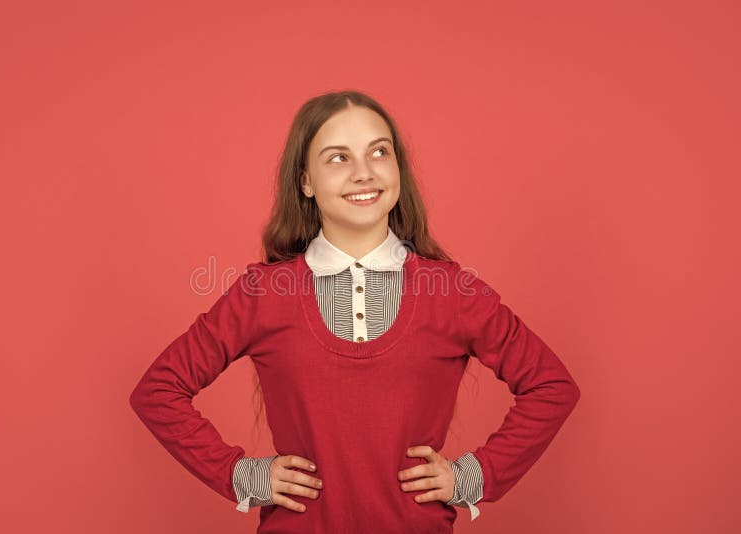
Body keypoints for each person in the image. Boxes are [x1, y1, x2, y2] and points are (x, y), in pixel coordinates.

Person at [129, 90, 581, 533]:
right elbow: (159, 391)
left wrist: (471, 477)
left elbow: (551, 386)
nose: (364, 173)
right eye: (338, 158)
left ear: (398, 169)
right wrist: (244, 476)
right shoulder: (262, 294)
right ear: (305, 182)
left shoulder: (452, 291)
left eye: (379, 152)